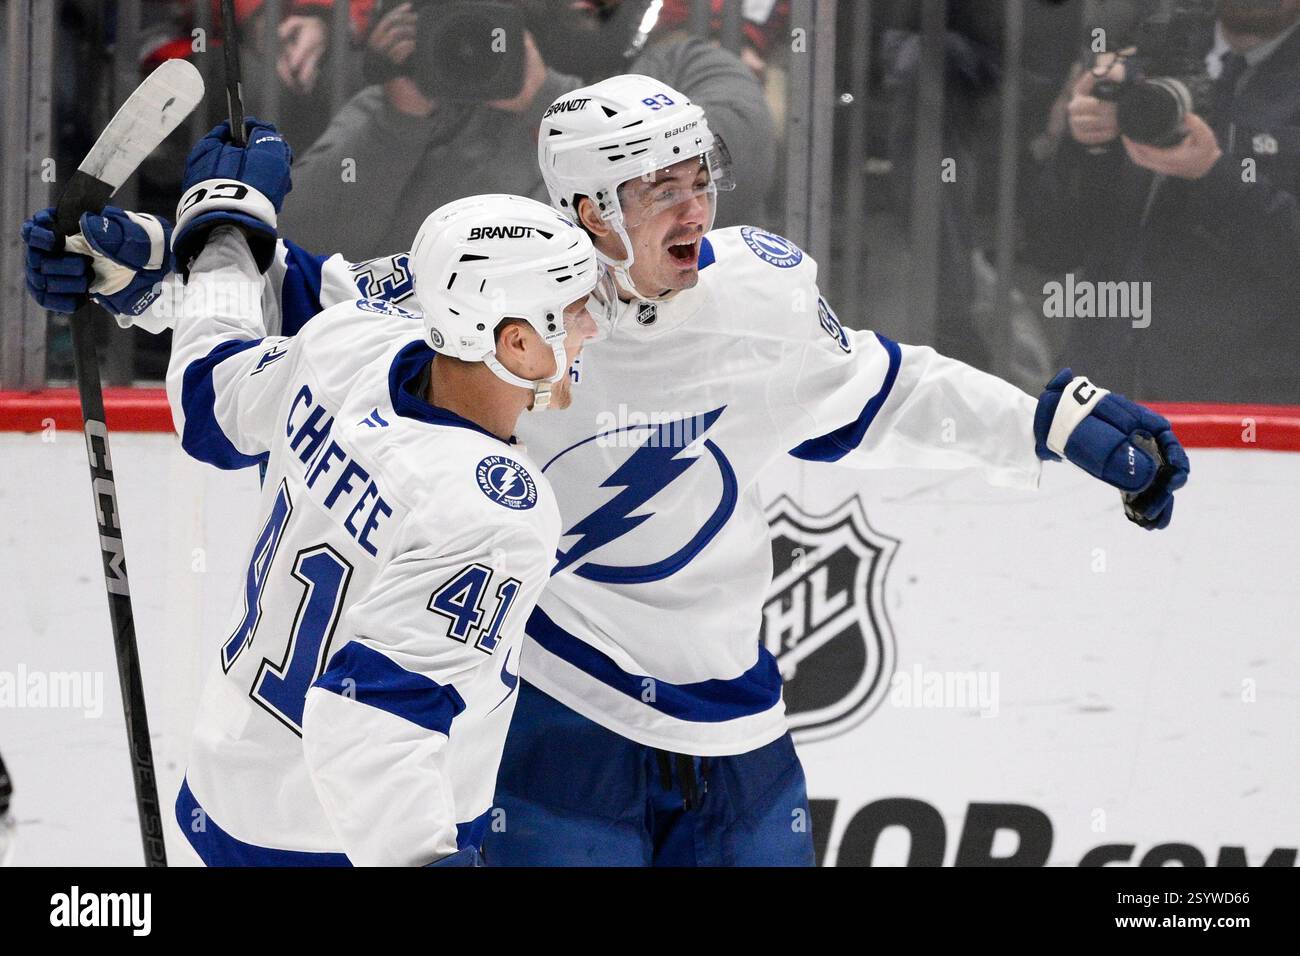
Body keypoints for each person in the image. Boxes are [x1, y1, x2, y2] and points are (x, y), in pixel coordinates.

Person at [23, 79, 1189, 867]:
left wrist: (1053, 421)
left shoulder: (755, 296)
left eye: (702, 177)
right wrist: (140, 273)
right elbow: (317, 307)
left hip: (735, 729)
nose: (698, 207)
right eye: (660, 189)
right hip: (558, 721)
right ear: (582, 209)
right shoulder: (499, 294)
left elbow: (892, 384)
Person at [27, 119, 603, 865]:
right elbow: (369, 723)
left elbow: (211, 400)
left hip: (225, 789)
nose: (595, 325)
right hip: (335, 843)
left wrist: (209, 245)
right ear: (514, 342)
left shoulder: (347, 344)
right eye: (576, 307)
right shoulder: (494, 508)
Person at [278, 0, 775, 258]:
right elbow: (299, 242)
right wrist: (397, 119)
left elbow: (739, 163)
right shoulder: (439, 81)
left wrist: (546, 100)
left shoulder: (685, 66)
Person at [1032, 0, 1300, 404]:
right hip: (1104, 385)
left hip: (1250, 407)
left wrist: (1215, 174)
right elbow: (1049, 247)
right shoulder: (1152, 51)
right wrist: (1087, 147)